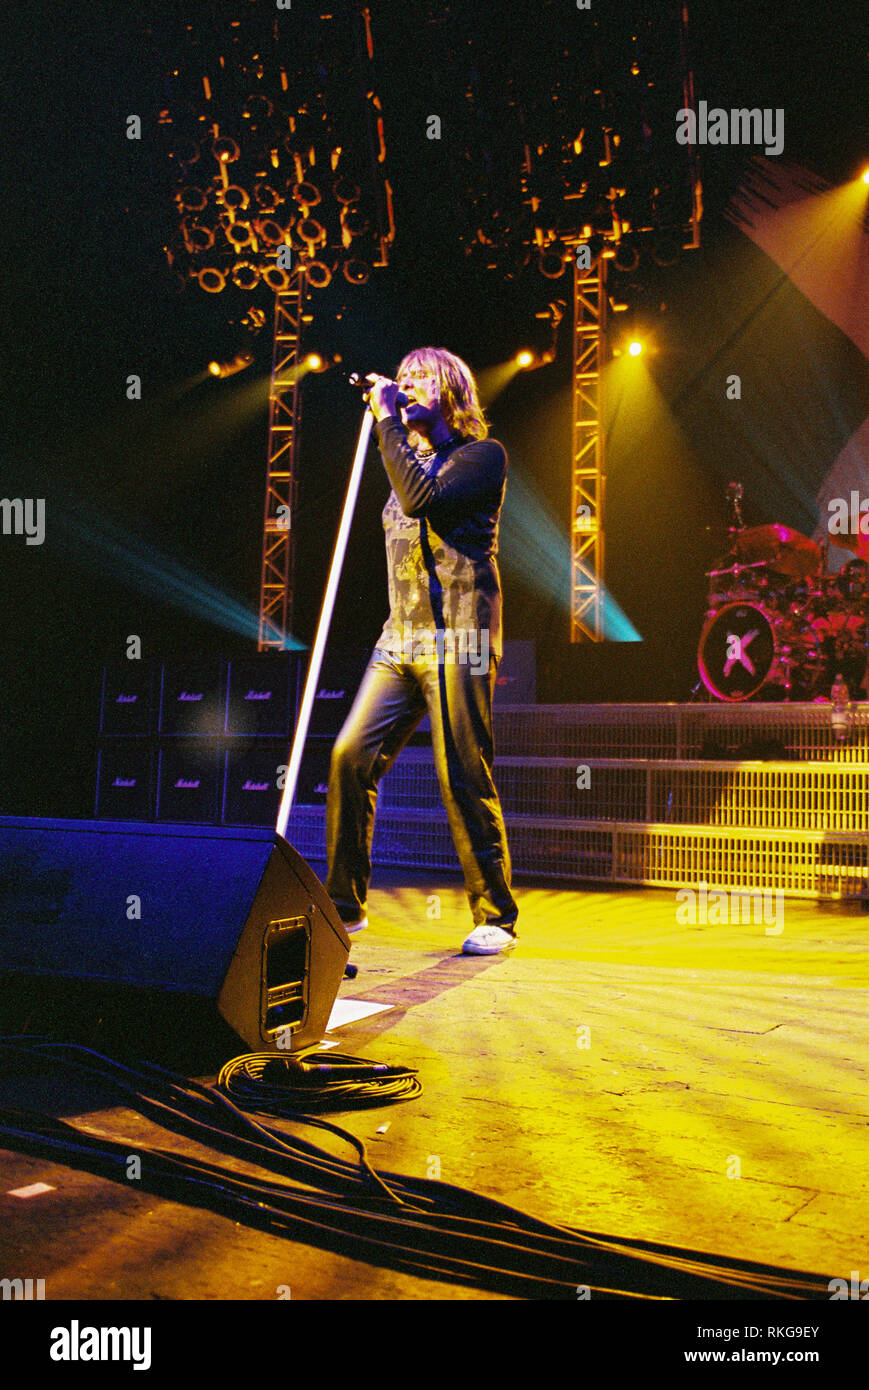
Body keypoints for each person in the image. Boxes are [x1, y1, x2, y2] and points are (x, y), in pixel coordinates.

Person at [325, 346, 518, 955]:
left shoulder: (481, 458)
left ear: (451, 391)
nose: (405, 387)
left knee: (462, 770)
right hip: (400, 636)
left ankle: (496, 914)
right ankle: (342, 908)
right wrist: (389, 427)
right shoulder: (405, 456)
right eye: (399, 379)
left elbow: (420, 500)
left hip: (459, 633)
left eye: (418, 379)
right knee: (349, 756)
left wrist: (386, 419)